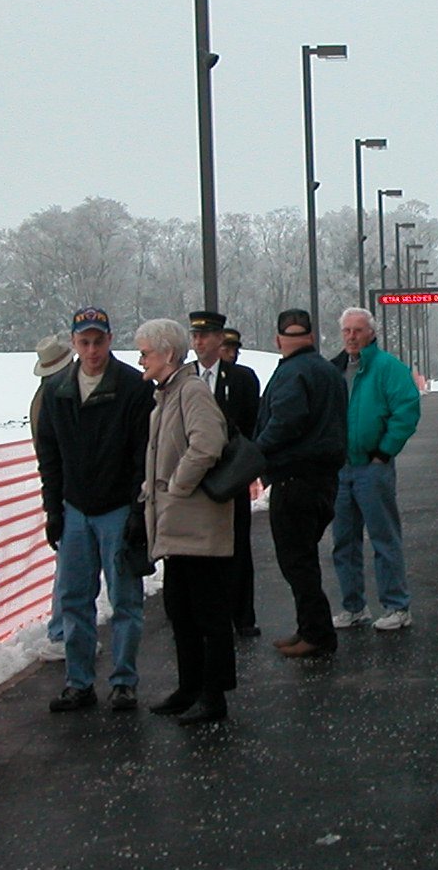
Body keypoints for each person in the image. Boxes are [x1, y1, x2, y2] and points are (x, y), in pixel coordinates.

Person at [31, 308, 155, 712]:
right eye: (84, 342)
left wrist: (139, 510)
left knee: (125, 599)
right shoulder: (57, 391)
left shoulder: (133, 388)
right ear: (73, 344)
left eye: (98, 341)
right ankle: (79, 680)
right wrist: (53, 509)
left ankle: (123, 680)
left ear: (109, 340)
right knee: (74, 599)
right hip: (75, 509)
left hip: (118, 506)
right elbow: (48, 454)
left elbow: (142, 453)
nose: (92, 350)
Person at [135, 317, 238, 723]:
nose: (141, 358)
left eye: (146, 352)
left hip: (197, 525)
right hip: (178, 527)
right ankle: (190, 686)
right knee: (181, 609)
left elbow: (208, 443)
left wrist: (176, 487)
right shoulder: (168, 393)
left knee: (208, 612)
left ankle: (213, 696)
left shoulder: (190, 391)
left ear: (168, 354)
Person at [253, 307, 347, 657]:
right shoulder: (328, 371)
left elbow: (286, 422)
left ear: (278, 340)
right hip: (324, 479)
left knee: (297, 562)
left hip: (295, 479)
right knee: (302, 558)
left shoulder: (292, 373)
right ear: (311, 336)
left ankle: (317, 635)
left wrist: (254, 453)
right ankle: (308, 627)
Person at [330, 306, 423, 631]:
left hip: (373, 467)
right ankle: (353, 607)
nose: (352, 337)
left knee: (384, 538)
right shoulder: (335, 369)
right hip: (341, 469)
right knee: (344, 541)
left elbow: (407, 409)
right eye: (347, 331)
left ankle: (397, 606)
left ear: (371, 333)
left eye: (358, 330)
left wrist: (384, 452)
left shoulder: (387, 368)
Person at [191, 311, 262, 636]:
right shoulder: (185, 377)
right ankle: (207, 613)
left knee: (237, 546)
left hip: (230, 477)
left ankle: (242, 616)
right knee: (200, 550)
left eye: (205, 336)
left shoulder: (242, 378)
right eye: (195, 336)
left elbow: (250, 426)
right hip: (195, 480)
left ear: (220, 340)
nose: (199, 342)